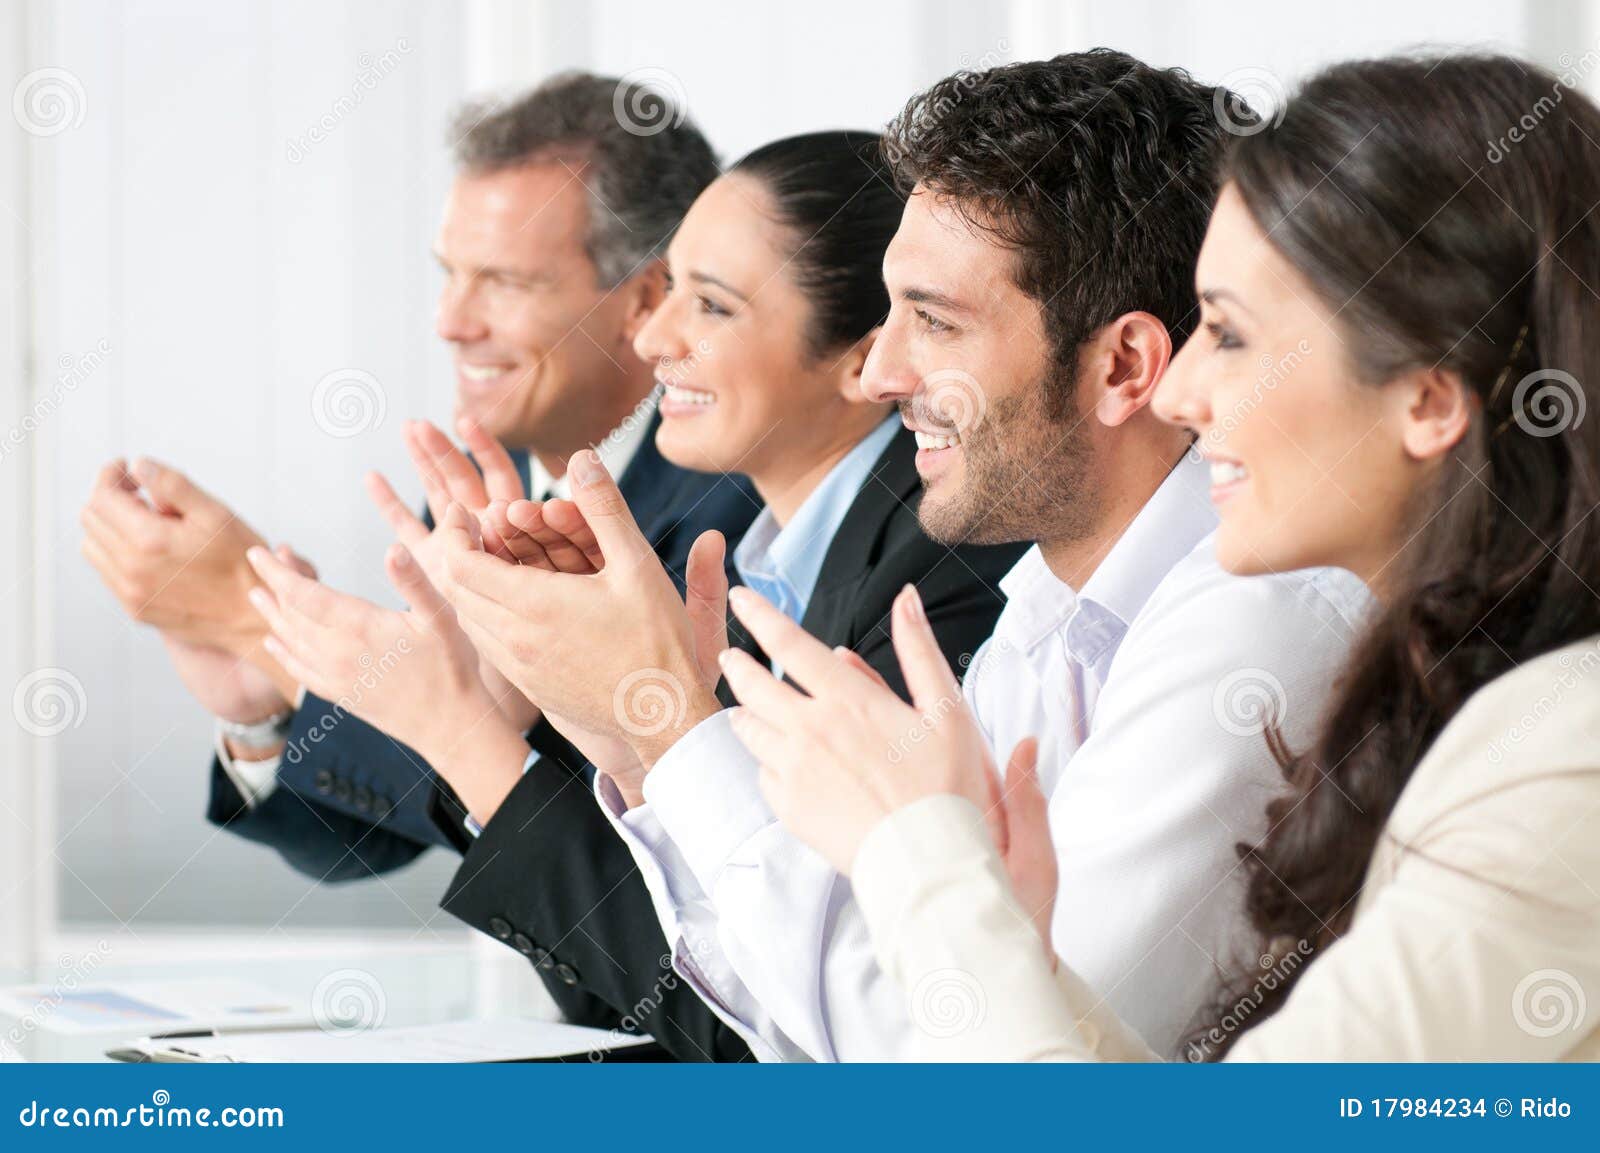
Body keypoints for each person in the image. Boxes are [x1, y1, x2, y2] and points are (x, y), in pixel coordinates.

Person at [425, 50, 1374, 1062]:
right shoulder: (1046, 613)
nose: (878, 371)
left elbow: (961, 1059)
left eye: (932, 320)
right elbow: (810, 1021)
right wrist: (629, 732)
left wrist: (670, 728)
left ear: (1124, 365)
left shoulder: (1251, 630)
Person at [722, 53, 1600, 1062]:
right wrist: (982, 914)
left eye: (1226, 333)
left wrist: (918, 857)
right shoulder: (1464, 710)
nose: (1180, 395)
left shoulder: (1559, 747)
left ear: (1430, 398)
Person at [246, 130, 1027, 1061]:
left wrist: (471, 735)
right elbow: (673, 992)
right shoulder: (770, 560)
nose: (652, 337)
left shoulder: (940, 571)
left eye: (710, 305)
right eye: (666, 294)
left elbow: (754, 1039)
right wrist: (534, 702)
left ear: (864, 359)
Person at [79, 72, 762, 1059]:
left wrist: (267, 626)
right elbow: (404, 819)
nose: (449, 319)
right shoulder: (504, 477)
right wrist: (262, 707)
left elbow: (607, 839)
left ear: (646, 298)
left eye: (506, 282)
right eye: (448, 271)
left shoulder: (736, 508)